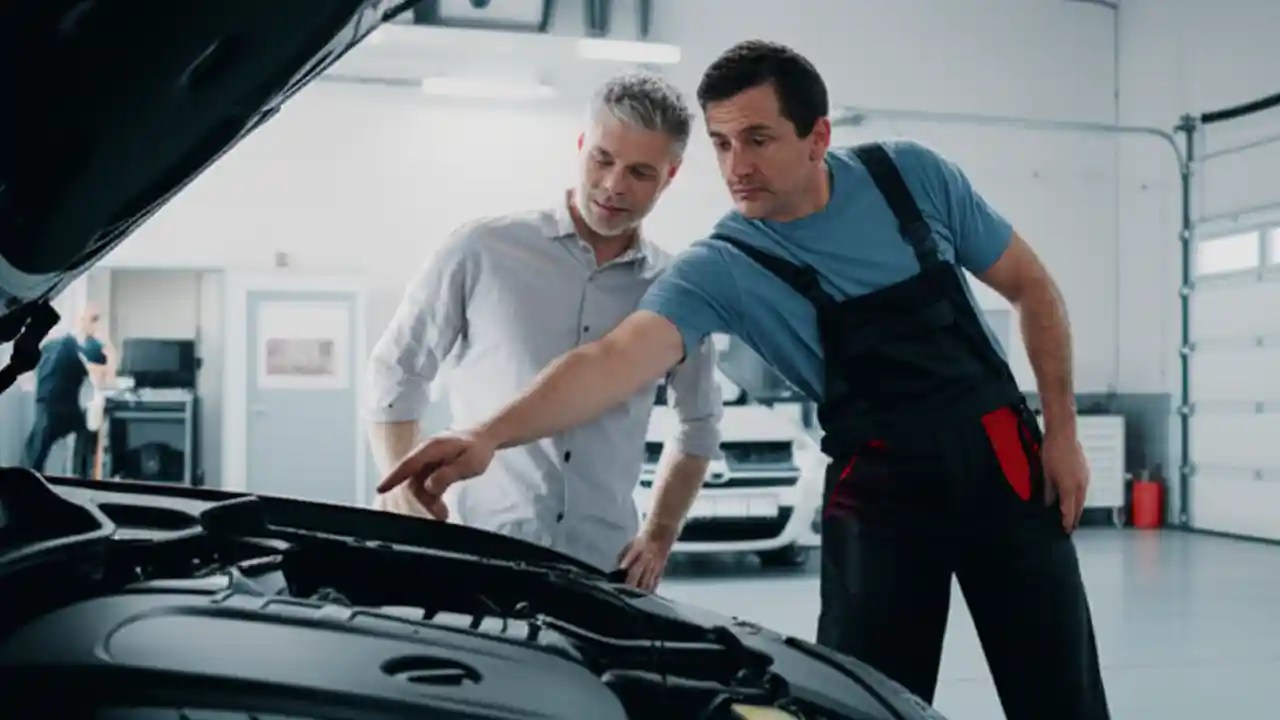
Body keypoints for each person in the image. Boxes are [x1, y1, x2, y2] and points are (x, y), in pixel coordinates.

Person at [376, 39, 1112, 719]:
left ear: (817, 137)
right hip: (881, 495)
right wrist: (484, 434)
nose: (737, 168)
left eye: (757, 140)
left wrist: (1065, 434)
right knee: (859, 703)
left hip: (1004, 466)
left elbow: (1031, 287)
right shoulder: (721, 266)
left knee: (1059, 692)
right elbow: (610, 361)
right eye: (723, 144)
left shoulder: (909, 177)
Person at [364, 72, 723, 591]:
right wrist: (401, 485)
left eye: (641, 172)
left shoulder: (676, 291)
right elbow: (397, 369)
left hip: (605, 565)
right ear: (581, 145)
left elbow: (700, 424)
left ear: (670, 176)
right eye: (603, 159)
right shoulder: (482, 250)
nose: (614, 185)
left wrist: (661, 531)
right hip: (480, 549)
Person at [22, 302, 115, 476]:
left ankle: (28, 481)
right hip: (57, 406)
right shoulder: (72, 344)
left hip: (50, 405)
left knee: (35, 452)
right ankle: (81, 475)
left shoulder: (56, 345)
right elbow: (102, 366)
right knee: (39, 452)